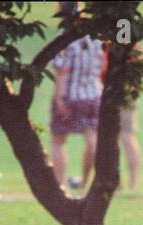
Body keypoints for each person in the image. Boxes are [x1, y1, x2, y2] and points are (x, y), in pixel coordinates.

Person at [50, 34, 103, 191]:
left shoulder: (65, 41)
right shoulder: (96, 41)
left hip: (70, 96)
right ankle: (86, 181)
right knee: (92, 140)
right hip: (94, 95)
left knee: (58, 141)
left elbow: (62, 71)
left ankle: (61, 185)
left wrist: (59, 98)